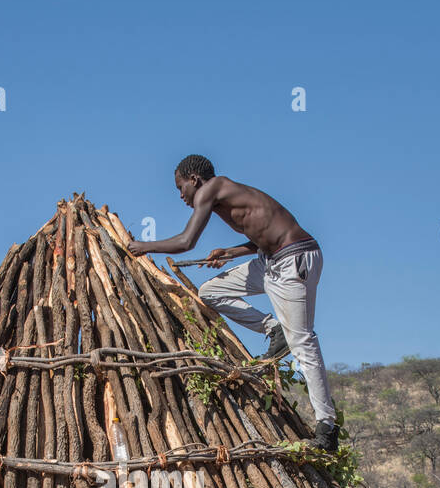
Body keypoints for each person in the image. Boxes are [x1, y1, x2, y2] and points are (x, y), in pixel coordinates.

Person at [127, 154, 338, 452]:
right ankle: (272, 328)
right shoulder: (229, 194)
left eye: (180, 188)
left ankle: (327, 427)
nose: (181, 196)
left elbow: (187, 242)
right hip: (270, 260)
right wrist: (230, 251)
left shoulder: (211, 189)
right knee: (212, 291)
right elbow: (263, 234)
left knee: (303, 341)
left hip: (293, 260)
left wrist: (145, 247)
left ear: (194, 180)